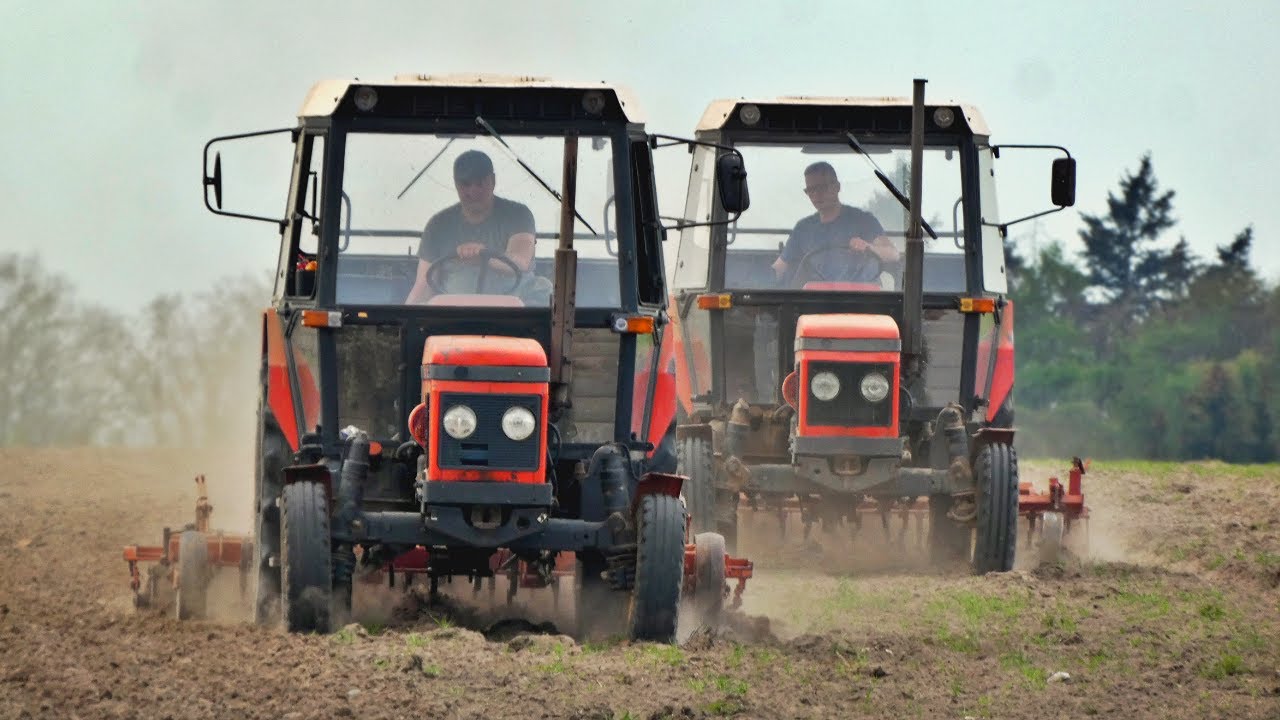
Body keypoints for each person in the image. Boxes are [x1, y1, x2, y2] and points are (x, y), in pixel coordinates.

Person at [404, 150, 537, 303]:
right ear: (456, 184)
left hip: (513, 315)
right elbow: (424, 286)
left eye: (480, 183)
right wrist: (402, 323)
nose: (473, 192)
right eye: (465, 184)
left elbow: (520, 261)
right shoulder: (438, 225)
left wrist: (484, 257)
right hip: (454, 317)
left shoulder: (518, 215)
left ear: (492, 181)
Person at [770, 162, 900, 284]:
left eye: (822, 188)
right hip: (815, 302)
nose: (816, 195)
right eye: (810, 190)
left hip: (862, 300)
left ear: (837, 187)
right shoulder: (803, 229)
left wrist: (868, 247)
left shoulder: (863, 221)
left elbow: (893, 254)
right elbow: (779, 268)